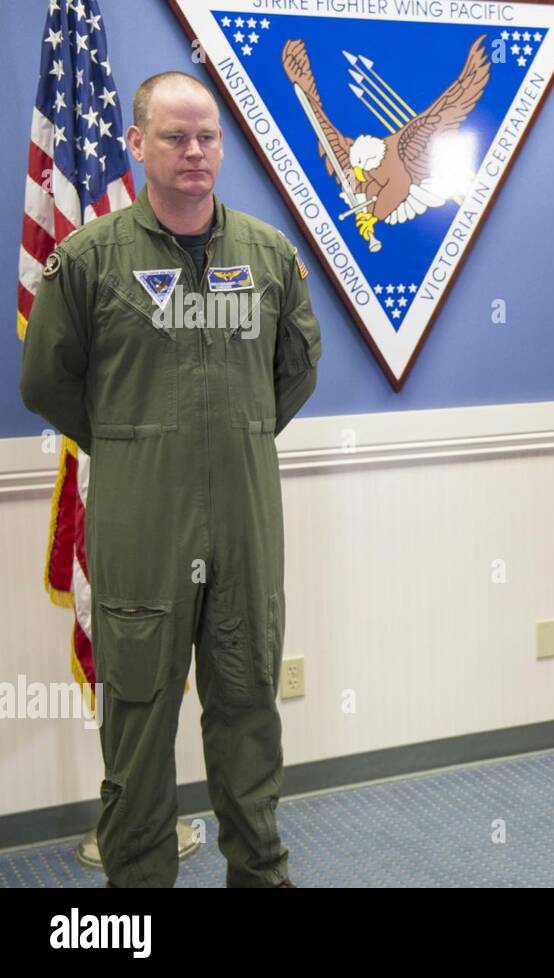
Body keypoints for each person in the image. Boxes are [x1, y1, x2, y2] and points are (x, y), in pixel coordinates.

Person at [20, 72, 322, 887]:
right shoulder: (88, 260)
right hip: (140, 525)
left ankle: (260, 873)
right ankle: (138, 892)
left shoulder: (267, 256)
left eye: (208, 138)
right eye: (175, 137)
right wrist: (137, 441)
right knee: (139, 719)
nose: (195, 153)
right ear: (137, 145)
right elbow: (47, 382)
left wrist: (232, 436)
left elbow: (297, 369)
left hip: (246, 527)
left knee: (249, 710)